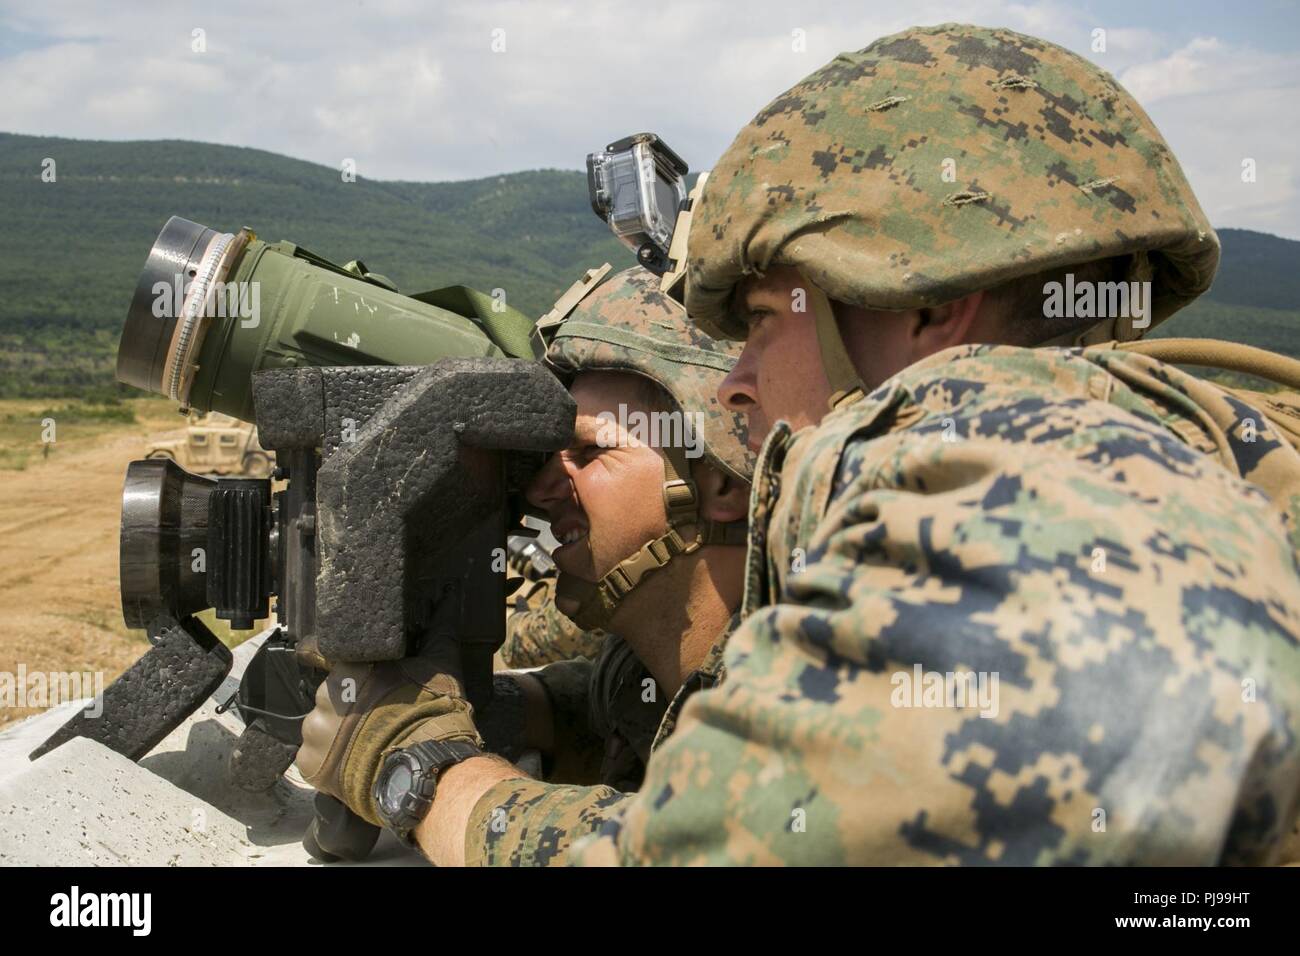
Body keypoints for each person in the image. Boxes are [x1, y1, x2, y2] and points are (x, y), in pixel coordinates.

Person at [302, 24, 1300, 866]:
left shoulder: (1033, 464)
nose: (735, 381)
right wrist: (499, 711)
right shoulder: (1123, 442)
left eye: (761, 320)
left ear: (930, 301)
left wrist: (422, 775)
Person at [295, 266, 755, 854]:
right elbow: (602, 711)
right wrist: (474, 703)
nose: (541, 490)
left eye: (587, 453)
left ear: (720, 484)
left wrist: (416, 769)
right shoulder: (653, 674)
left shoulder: (814, 684)